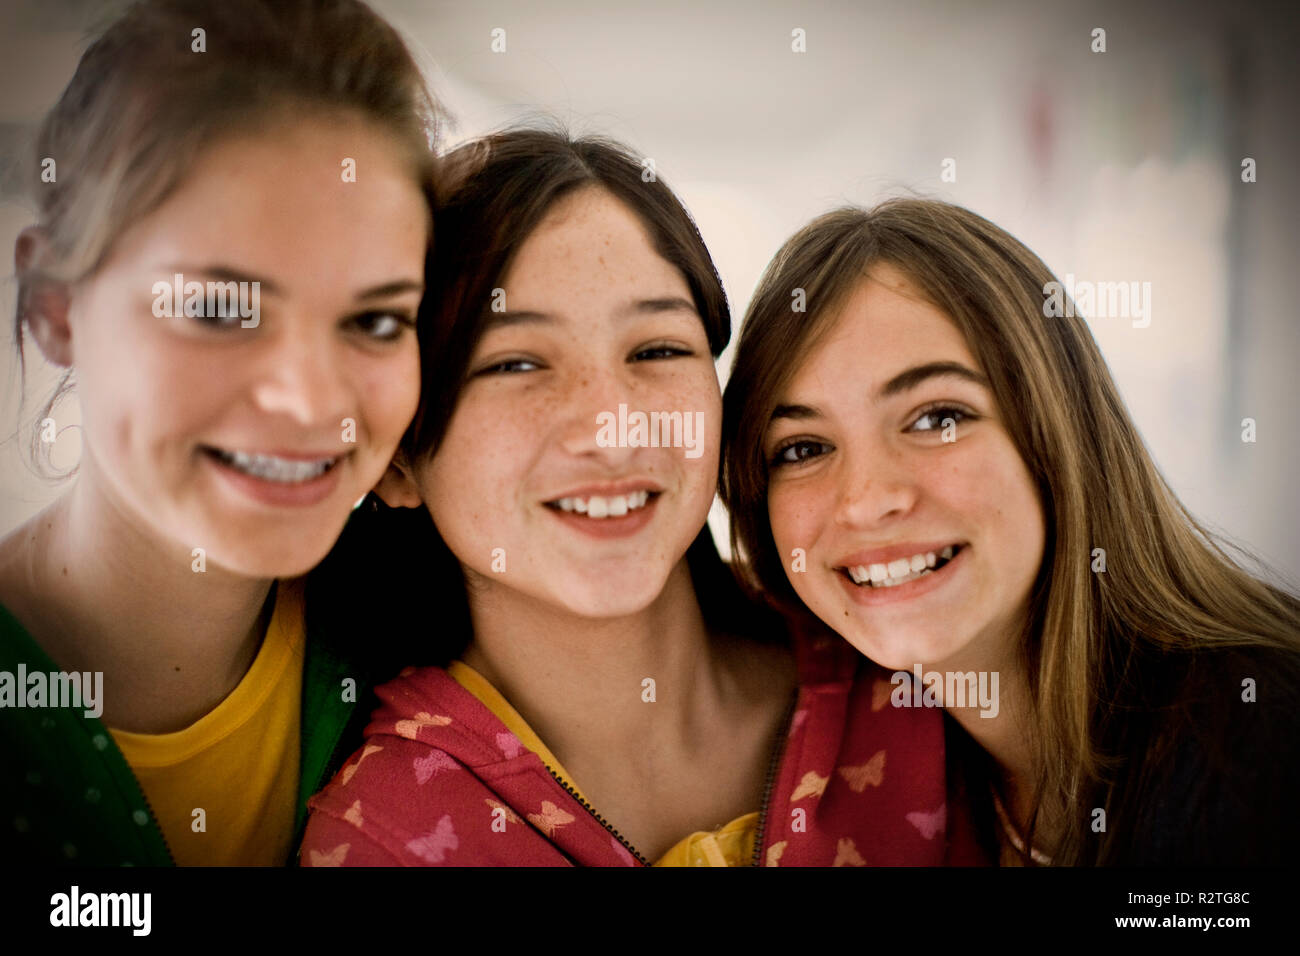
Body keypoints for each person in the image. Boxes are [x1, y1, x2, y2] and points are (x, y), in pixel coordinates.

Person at [301, 129, 983, 866]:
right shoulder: (384, 839)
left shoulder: (912, 675)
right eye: (516, 363)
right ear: (398, 459)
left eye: (657, 351)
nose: (612, 428)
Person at [721, 198, 1300, 865]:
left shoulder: (1262, 750)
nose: (868, 500)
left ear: (1057, 427)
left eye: (936, 417)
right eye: (802, 448)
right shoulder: (905, 769)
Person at [0, 0, 439, 865]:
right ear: (56, 310)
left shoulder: (426, 621)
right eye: (216, 308)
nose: (309, 400)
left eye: (378, 320)